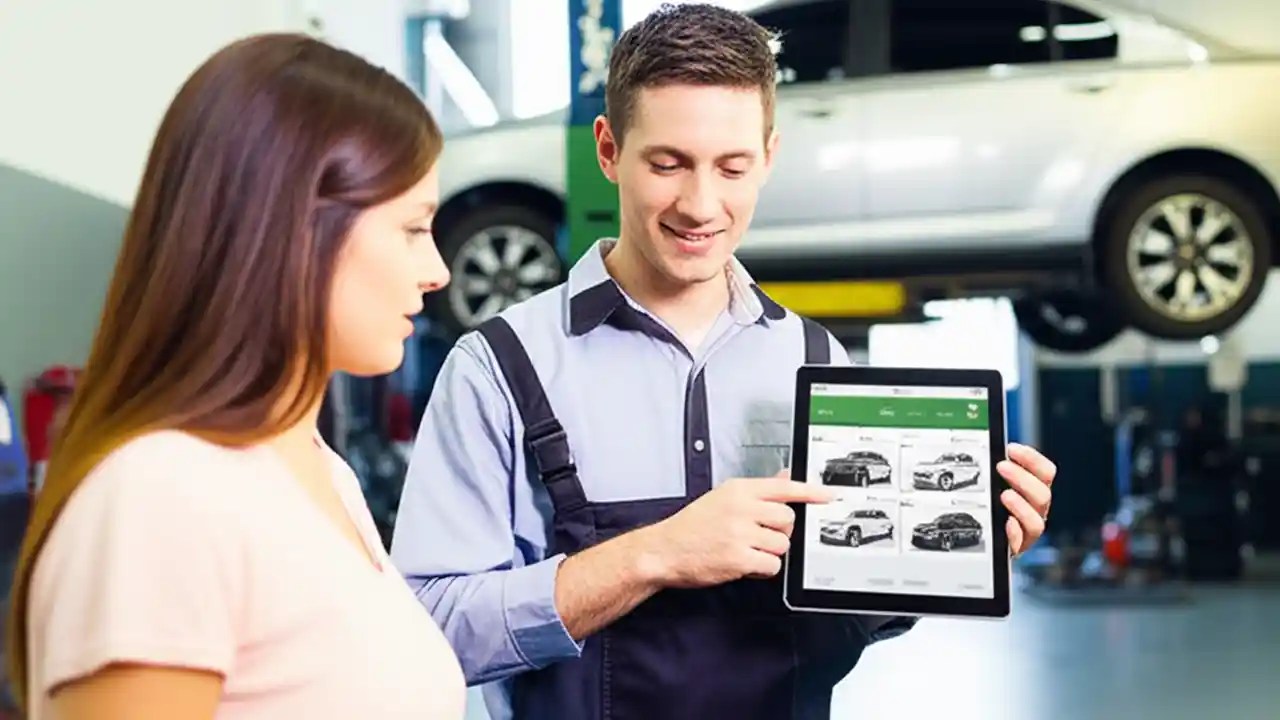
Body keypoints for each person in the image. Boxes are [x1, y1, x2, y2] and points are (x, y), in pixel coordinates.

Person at [390, 5, 1057, 720]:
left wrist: (950, 549)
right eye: (668, 164)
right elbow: (427, 629)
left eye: (732, 167)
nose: (700, 204)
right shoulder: (499, 368)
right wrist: (657, 554)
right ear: (609, 150)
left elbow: (848, 618)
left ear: (769, 156)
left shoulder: (815, 359)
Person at [5, 33, 466, 720]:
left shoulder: (320, 472)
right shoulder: (159, 497)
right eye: (412, 228)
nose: (438, 271)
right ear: (298, 230)